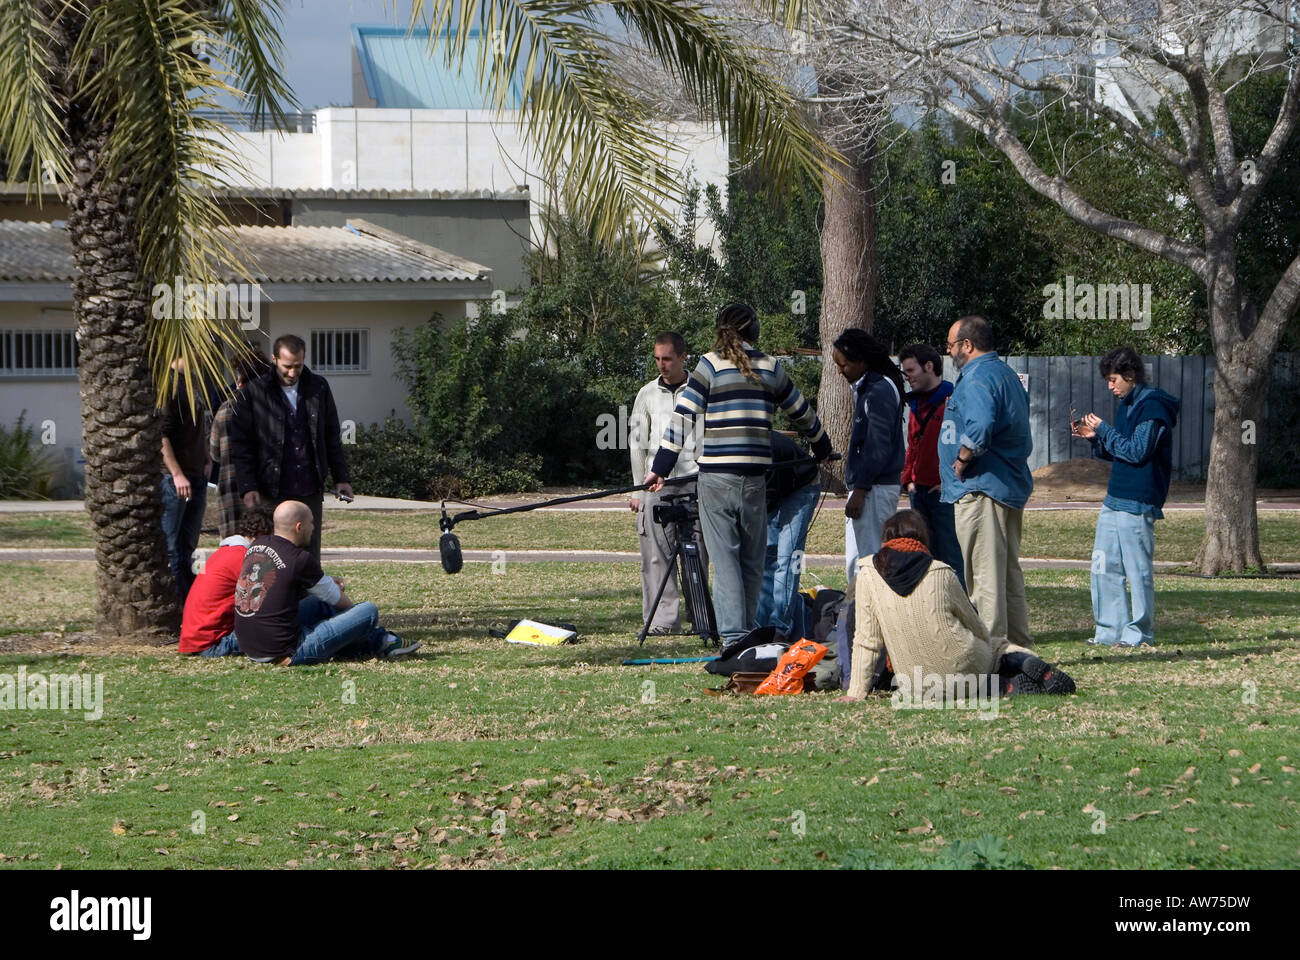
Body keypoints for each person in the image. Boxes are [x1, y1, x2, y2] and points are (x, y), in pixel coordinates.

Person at [645, 303, 832, 647]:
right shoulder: (770, 366)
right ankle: (750, 638)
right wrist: (823, 449)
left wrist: (659, 469)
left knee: (726, 561)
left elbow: (682, 419)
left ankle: (733, 641)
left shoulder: (709, 365)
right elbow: (802, 414)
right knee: (752, 561)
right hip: (754, 482)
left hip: (716, 480)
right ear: (754, 329)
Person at [838, 510, 1074, 701]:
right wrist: (989, 645)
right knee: (995, 646)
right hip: (963, 663)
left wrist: (856, 692)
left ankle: (1002, 687)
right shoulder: (941, 572)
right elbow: (976, 626)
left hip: (915, 685)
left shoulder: (867, 574)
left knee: (954, 681)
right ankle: (1022, 664)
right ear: (922, 540)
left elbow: (866, 640)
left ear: (885, 540)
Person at [1071, 347, 1181, 647]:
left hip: (1138, 500)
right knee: (1103, 566)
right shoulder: (1128, 404)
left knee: (1137, 570)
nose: (1110, 386)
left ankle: (1139, 634)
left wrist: (1104, 429)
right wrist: (1096, 439)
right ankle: (1110, 632)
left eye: (1113, 379)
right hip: (1114, 498)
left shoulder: (1154, 408)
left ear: (1130, 376)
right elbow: (1120, 452)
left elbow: (1137, 451)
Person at [939, 316, 1034, 650]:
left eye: (950, 345)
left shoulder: (978, 377)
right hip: (1005, 486)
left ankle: (994, 652)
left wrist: (961, 459)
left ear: (967, 345)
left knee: (985, 577)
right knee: (1007, 575)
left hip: (982, 488)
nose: (948, 351)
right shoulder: (1005, 374)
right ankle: (1019, 649)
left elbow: (980, 426)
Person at [234, 501, 418, 665]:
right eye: (311, 523)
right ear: (299, 527)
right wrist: (357, 622)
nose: (313, 528)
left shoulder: (257, 545)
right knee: (367, 611)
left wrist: (327, 583)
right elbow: (338, 600)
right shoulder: (299, 558)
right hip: (287, 651)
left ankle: (382, 641)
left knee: (320, 603)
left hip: (252, 647)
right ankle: (380, 639)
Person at [228, 334, 353, 559]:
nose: (293, 373)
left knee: (308, 555)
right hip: (270, 488)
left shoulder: (319, 387)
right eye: (287, 366)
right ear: (274, 359)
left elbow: (331, 435)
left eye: (298, 366)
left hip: (309, 486)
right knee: (272, 555)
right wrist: (248, 487)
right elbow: (241, 444)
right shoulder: (254, 392)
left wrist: (341, 478)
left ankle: (309, 595)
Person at [629, 331, 706, 635]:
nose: (661, 364)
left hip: (694, 484)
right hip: (654, 488)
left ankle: (702, 620)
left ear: (683, 357)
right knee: (656, 558)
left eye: (667, 359)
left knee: (697, 555)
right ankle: (663, 622)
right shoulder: (646, 394)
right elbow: (637, 443)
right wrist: (637, 490)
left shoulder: (700, 392)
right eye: (657, 359)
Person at [832, 329, 905, 583]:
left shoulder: (879, 389)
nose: (841, 371)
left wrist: (861, 490)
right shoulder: (868, 387)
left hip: (874, 488)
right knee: (857, 562)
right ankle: (856, 616)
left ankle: (869, 618)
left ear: (861, 361)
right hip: (868, 487)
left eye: (844, 365)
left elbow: (878, 445)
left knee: (870, 561)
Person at [898, 342, 964, 589]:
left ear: (929, 366)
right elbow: (913, 444)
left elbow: (969, 441)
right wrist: (909, 479)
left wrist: (951, 478)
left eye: (911, 371)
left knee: (950, 558)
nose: (907, 377)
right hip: (919, 492)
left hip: (944, 495)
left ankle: (961, 611)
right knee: (923, 557)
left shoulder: (953, 399)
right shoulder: (915, 403)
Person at [179, 505, 273, 657]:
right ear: (262, 534)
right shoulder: (245, 558)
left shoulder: (225, 552)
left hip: (197, 640)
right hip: (213, 644)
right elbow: (267, 604)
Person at [754, 431, 821, 642]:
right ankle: (761, 624)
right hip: (779, 488)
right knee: (767, 556)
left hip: (803, 488)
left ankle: (780, 627)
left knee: (789, 558)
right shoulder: (740, 449)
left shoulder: (763, 448)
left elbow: (768, 498)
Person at [161, 357, 211, 601]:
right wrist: (176, 473)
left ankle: (188, 603)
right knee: (171, 549)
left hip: (197, 475)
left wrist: (207, 457)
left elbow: (200, 427)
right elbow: (162, 435)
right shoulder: (167, 386)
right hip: (176, 481)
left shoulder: (193, 383)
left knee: (187, 547)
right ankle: (174, 602)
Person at [209, 346, 270, 539]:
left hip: (231, 491)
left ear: (239, 379)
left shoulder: (225, 409)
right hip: (264, 491)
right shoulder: (270, 409)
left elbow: (215, 452)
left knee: (234, 550)